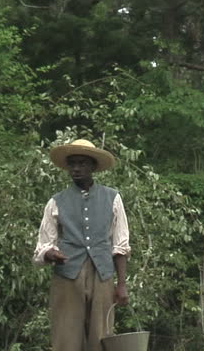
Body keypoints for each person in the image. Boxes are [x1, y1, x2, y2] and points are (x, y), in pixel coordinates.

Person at [33, 139, 131, 351]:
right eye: (73, 164)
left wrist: (121, 284)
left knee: (101, 335)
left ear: (93, 166)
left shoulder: (112, 198)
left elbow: (121, 243)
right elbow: (43, 244)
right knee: (66, 335)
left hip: (102, 274)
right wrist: (51, 254)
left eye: (82, 163)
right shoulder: (57, 201)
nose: (76, 169)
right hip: (68, 274)